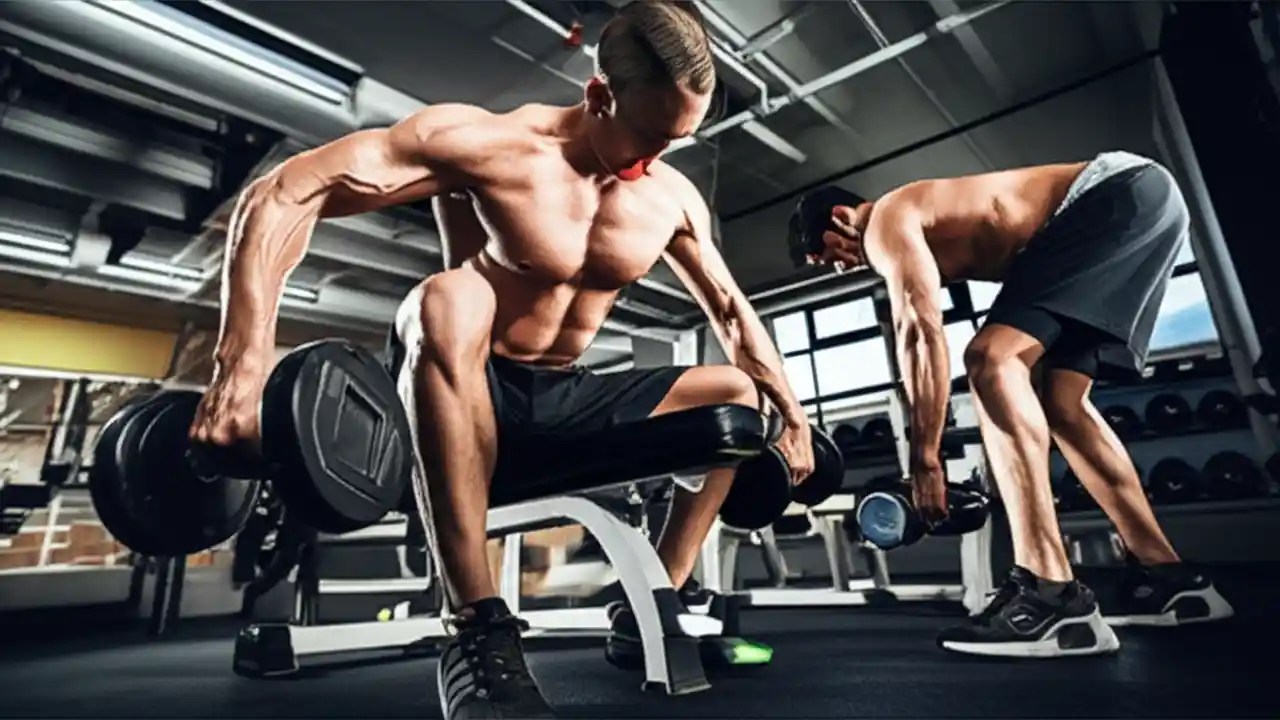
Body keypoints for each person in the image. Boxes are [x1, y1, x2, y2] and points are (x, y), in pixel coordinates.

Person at [190, 2, 814, 717]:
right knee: (449, 297)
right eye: (647, 136)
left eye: (676, 141)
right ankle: (477, 628)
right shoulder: (488, 145)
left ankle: (652, 599)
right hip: (465, 383)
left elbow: (731, 310)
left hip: (566, 392)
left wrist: (793, 419)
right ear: (599, 95)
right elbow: (284, 193)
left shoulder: (669, 199)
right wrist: (240, 368)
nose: (656, 160)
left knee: (735, 392)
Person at [793, 151, 1234, 658]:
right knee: (1061, 404)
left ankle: (1048, 594)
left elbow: (918, 329)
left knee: (989, 359)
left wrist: (926, 460)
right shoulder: (931, 222)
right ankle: (1170, 579)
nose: (839, 267)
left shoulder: (886, 218)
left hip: (1108, 197)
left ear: (840, 217)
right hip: (1144, 202)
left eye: (826, 255)